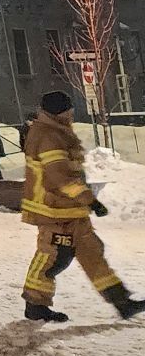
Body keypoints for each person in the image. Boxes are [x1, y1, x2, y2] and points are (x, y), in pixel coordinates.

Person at [20, 90, 145, 322]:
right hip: (54, 211)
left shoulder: (56, 131)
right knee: (54, 256)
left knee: (92, 253)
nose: (72, 113)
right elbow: (59, 177)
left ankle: (121, 301)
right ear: (60, 111)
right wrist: (90, 199)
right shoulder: (49, 136)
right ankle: (35, 305)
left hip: (70, 210)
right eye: (69, 109)